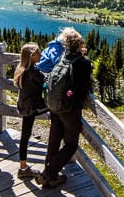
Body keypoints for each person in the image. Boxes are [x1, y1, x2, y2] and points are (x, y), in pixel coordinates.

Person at [36, 28, 92, 188]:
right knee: (71, 145)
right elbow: (82, 88)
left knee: (54, 139)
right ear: (80, 45)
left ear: (66, 44)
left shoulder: (62, 58)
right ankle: (48, 174)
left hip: (54, 106)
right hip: (69, 109)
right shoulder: (83, 63)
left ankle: (49, 176)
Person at [14, 42, 47, 179]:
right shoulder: (34, 73)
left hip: (24, 106)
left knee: (24, 136)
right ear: (32, 56)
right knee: (58, 112)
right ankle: (24, 168)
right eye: (38, 53)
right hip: (32, 107)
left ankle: (23, 166)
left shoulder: (21, 70)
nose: (41, 55)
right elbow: (44, 84)